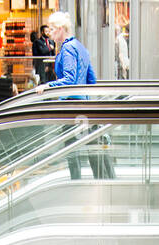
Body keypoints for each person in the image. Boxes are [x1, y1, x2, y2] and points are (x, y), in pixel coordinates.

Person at [41, 12, 115, 180]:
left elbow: (68, 80)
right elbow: (91, 79)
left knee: (71, 148)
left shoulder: (67, 49)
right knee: (89, 144)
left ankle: (76, 181)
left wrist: (48, 85)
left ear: (61, 29)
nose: (50, 34)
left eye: (52, 29)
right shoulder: (80, 47)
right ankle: (100, 181)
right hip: (84, 106)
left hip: (71, 107)